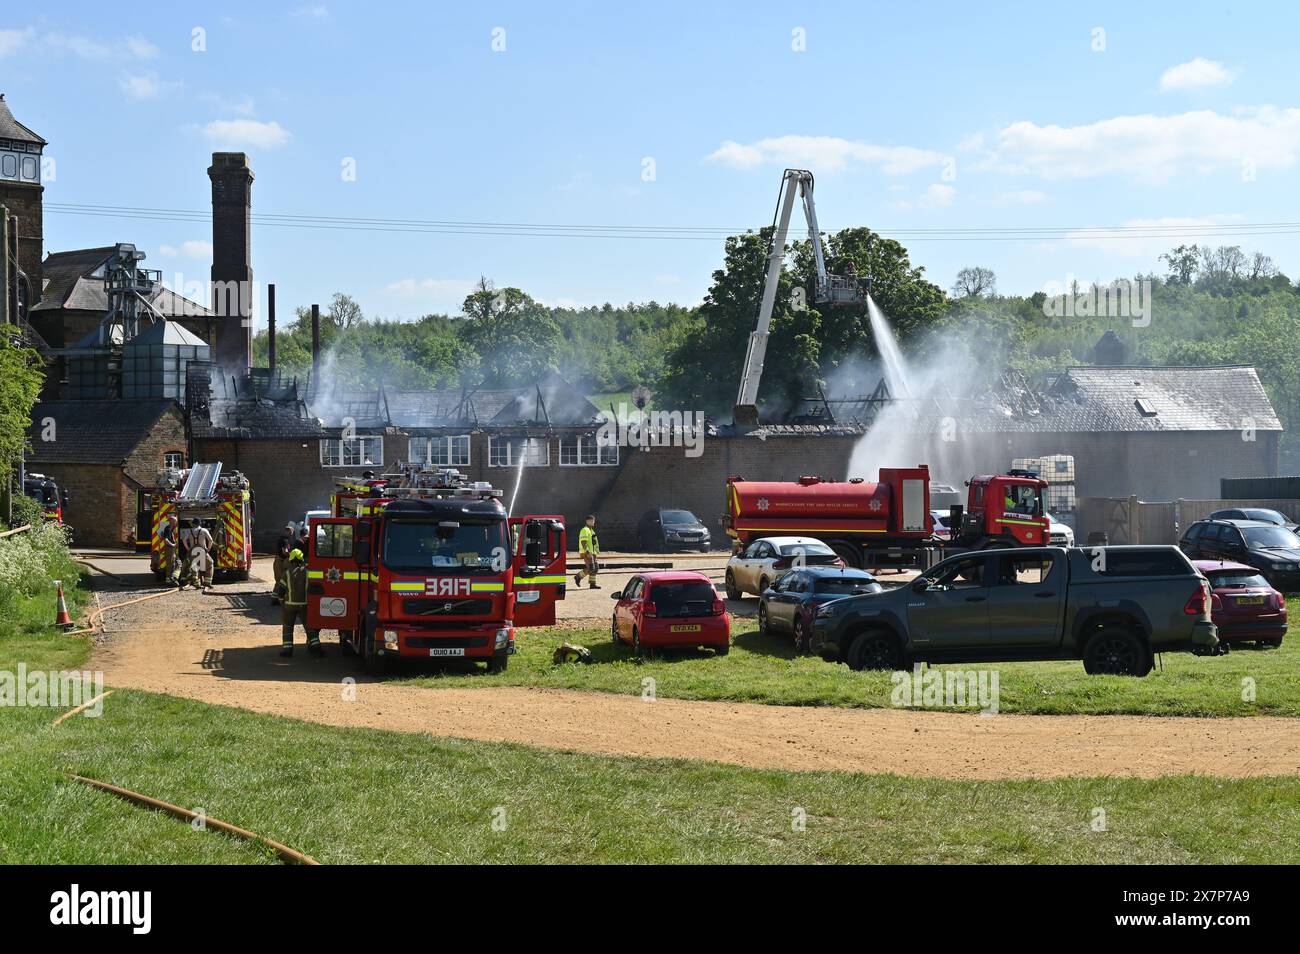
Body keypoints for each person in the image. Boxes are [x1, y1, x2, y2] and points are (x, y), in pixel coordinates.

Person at [280, 548, 323, 658]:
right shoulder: (308, 572)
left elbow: (280, 591)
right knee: (309, 626)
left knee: (288, 627)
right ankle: (315, 648)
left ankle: (287, 651)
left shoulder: (287, 573)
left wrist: (282, 602)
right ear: (301, 559)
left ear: (291, 560)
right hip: (304, 605)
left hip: (289, 605)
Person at [181, 518, 215, 592]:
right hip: (202, 550)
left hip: (193, 551)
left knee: (195, 567)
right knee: (210, 564)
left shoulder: (189, 531)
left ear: (193, 523)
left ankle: (197, 584)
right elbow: (211, 540)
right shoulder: (204, 530)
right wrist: (208, 548)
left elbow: (184, 540)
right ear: (200, 523)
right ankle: (207, 582)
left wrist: (188, 548)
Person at [574, 514, 601, 589]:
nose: (593, 522)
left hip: (592, 553)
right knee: (591, 568)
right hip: (587, 552)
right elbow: (583, 542)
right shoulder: (585, 530)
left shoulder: (591, 531)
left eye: (593, 521)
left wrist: (595, 552)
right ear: (587, 521)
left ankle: (592, 584)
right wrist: (587, 552)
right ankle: (578, 577)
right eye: (591, 521)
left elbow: (593, 543)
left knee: (595, 568)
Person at [272, 522, 296, 604]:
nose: (291, 534)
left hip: (279, 560)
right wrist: (292, 556)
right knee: (280, 580)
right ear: (289, 532)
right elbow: (285, 551)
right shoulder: (285, 540)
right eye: (291, 533)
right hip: (280, 561)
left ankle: (275, 598)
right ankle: (276, 599)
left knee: (279, 580)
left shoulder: (282, 539)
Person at [158, 515, 181, 587]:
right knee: (171, 565)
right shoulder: (168, 529)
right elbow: (166, 540)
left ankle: (173, 578)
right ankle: (170, 581)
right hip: (170, 549)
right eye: (175, 521)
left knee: (177, 563)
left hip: (171, 549)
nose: (176, 522)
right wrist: (173, 545)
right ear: (171, 521)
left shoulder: (170, 529)